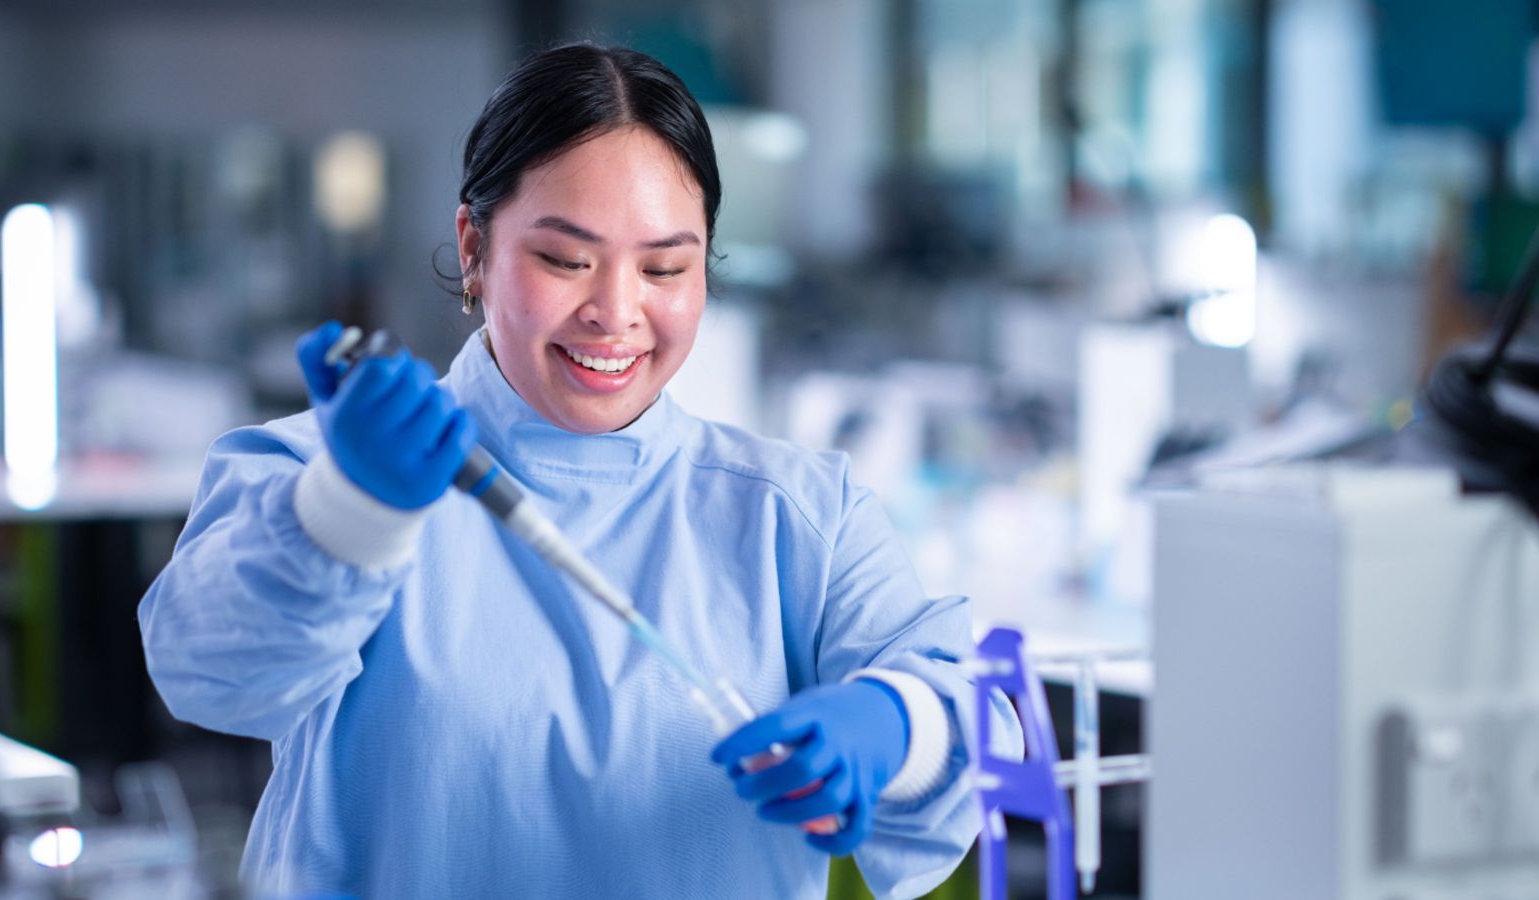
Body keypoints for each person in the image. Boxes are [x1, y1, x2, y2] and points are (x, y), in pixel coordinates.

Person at [139, 42, 1018, 899]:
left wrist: (898, 726)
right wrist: (352, 510)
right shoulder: (316, 473)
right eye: (565, 259)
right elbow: (208, 674)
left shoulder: (797, 514)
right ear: (474, 248)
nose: (616, 313)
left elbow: (987, 727)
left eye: (666, 267)